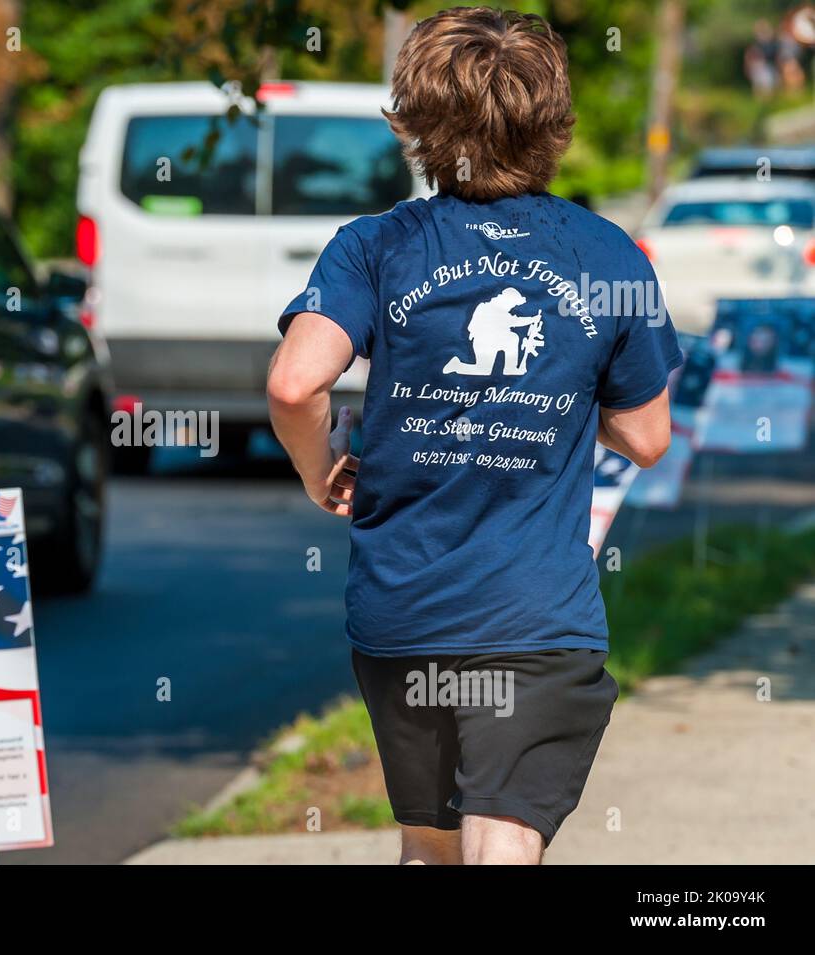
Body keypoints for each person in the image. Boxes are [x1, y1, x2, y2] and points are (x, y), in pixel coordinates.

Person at [267, 7, 681, 865]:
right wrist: (564, 400)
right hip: (536, 616)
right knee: (505, 838)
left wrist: (319, 473)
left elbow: (295, 381)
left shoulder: (374, 246)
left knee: (430, 841)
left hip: (401, 616)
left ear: (416, 124)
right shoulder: (609, 257)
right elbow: (647, 436)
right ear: (553, 121)